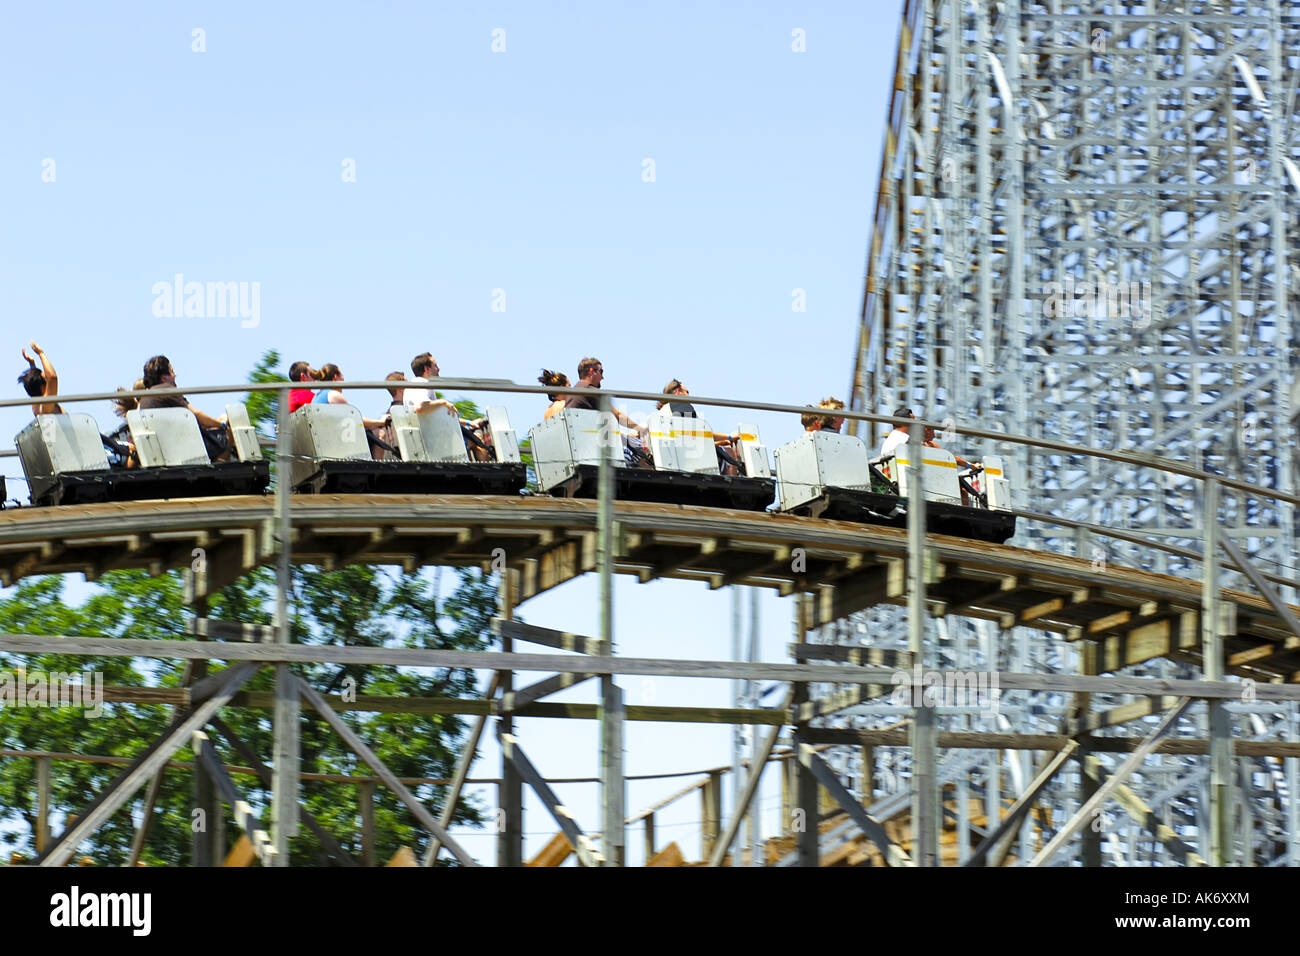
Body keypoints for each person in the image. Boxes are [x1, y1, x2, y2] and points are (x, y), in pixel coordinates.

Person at [137, 355, 232, 461]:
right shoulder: (168, 390)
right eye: (172, 372)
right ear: (164, 378)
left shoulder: (143, 401)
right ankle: (219, 465)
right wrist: (223, 425)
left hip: (165, 452)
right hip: (188, 449)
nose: (175, 375)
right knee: (230, 428)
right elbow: (196, 416)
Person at [18, 341, 62, 416]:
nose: (46, 378)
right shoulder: (46, 405)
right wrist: (40, 353)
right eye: (45, 377)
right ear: (42, 387)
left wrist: (32, 365)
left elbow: (33, 382)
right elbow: (52, 377)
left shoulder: (35, 405)